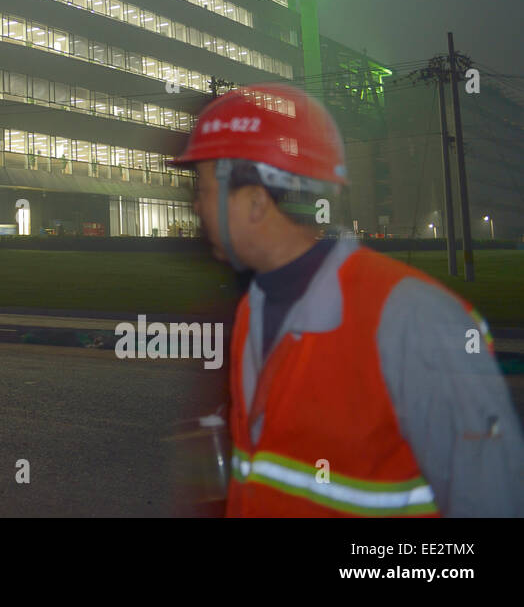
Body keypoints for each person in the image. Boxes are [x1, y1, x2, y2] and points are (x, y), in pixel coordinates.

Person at [172, 83, 524, 516]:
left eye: (203, 188)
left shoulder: (415, 319)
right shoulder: (253, 309)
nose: (196, 205)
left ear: (255, 201)